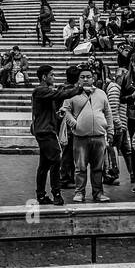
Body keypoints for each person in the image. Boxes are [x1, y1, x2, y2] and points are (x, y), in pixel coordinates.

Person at [31, 64, 79, 206]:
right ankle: (56, 193)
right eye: (51, 75)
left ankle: (41, 195)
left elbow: (48, 110)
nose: (54, 77)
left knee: (44, 164)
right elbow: (60, 95)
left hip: (45, 129)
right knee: (55, 159)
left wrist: (57, 116)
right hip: (45, 131)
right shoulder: (40, 90)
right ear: (44, 77)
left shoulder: (44, 91)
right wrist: (79, 89)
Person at [64, 67, 112, 203]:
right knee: (80, 167)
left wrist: (111, 130)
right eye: (82, 77)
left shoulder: (101, 93)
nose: (86, 79)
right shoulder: (72, 93)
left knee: (98, 168)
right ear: (78, 79)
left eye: (88, 76)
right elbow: (65, 110)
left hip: (99, 135)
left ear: (93, 78)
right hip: (80, 137)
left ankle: (98, 193)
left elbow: (108, 113)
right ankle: (79, 193)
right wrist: (74, 123)